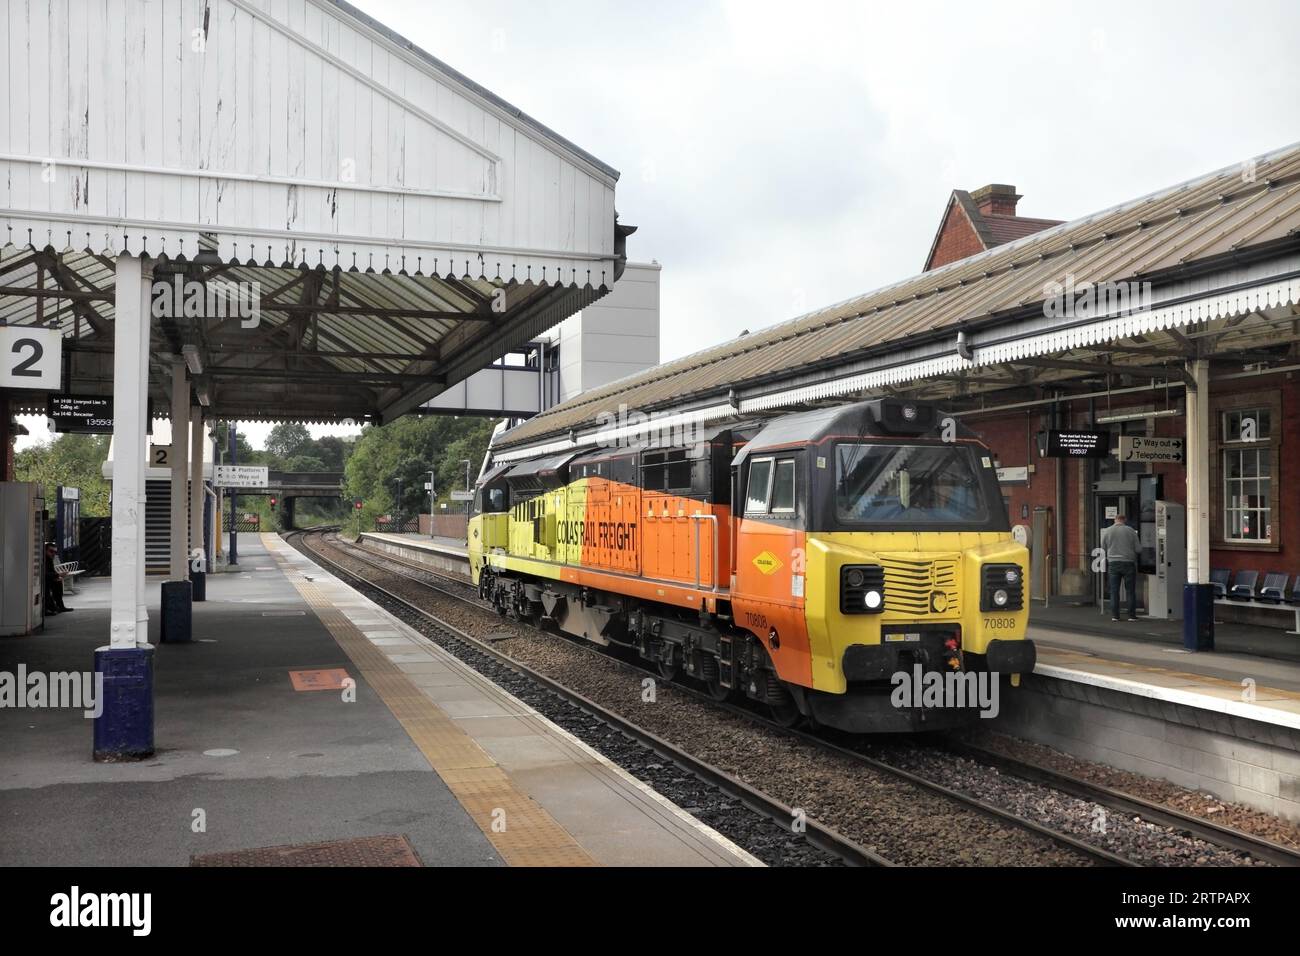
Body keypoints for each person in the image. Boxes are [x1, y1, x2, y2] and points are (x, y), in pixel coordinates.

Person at [1101, 513, 1140, 621]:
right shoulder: (1131, 531)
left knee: (1114, 591)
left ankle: (1115, 616)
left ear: (1115, 520)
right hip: (1128, 563)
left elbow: (1103, 547)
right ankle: (1132, 616)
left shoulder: (1108, 531)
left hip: (1113, 563)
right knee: (1130, 591)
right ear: (1125, 520)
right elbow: (1138, 549)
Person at [44, 543, 73, 615]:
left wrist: (57, 577)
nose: (53, 554)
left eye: (55, 552)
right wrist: (58, 575)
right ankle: (49, 608)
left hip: (48, 578)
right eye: (51, 551)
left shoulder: (49, 559)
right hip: (44, 580)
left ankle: (60, 606)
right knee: (46, 587)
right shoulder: (44, 559)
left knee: (58, 582)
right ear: (45, 551)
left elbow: (51, 571)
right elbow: (44, 574)